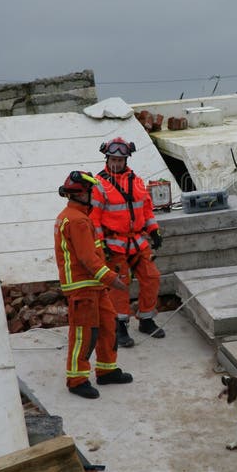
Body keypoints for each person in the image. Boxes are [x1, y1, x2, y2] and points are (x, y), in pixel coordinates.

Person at [54, 170, 133, 399]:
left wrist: (105, 278)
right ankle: (77, 380)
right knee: (84, 333)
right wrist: (112, 279)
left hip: (94, 285)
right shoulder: (77, 220)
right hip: (83, 287)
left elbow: (92, 255)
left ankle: (106, 370)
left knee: (108, 325)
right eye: (90, 192)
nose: (94, 196)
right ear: (81, 194)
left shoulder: (77, 216)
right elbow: (88, 259)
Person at [90, 138, 164, 347]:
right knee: (119, 284)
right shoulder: (99, 185)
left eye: (120, 160)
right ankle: (119, 326)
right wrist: (100, 245)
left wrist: (154, 230)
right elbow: (94, 219)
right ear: (107, 159)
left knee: (152, 277)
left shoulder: (137, 181)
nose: (116, 163)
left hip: (137, 241)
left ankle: (146, 320)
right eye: (113, 159)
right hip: (114, 244)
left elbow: (146, 209)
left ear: (126, 160)